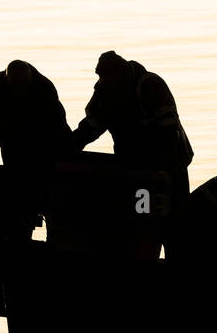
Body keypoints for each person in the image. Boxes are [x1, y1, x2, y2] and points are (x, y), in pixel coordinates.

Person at [71, 51, 194, 252]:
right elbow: (91, 127)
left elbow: (169, 132)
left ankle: (178, 265)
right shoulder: (104, 91)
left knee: (173, 218)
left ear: (121, 72)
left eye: (109, 77)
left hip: (170, 166)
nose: (105, 82)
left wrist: (161, 169)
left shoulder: (150, 85)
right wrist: (68, 147)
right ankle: (142, 259)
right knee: (141, 216)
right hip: (134, 169)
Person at [0, 60, 72, 171]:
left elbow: (58, 123)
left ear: (30, 80)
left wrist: (67, 151)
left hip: (39, 139)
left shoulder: (44, 87)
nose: (20, 89)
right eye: (16, 85)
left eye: (23, 84)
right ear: (7, 80)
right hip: (9, 138)